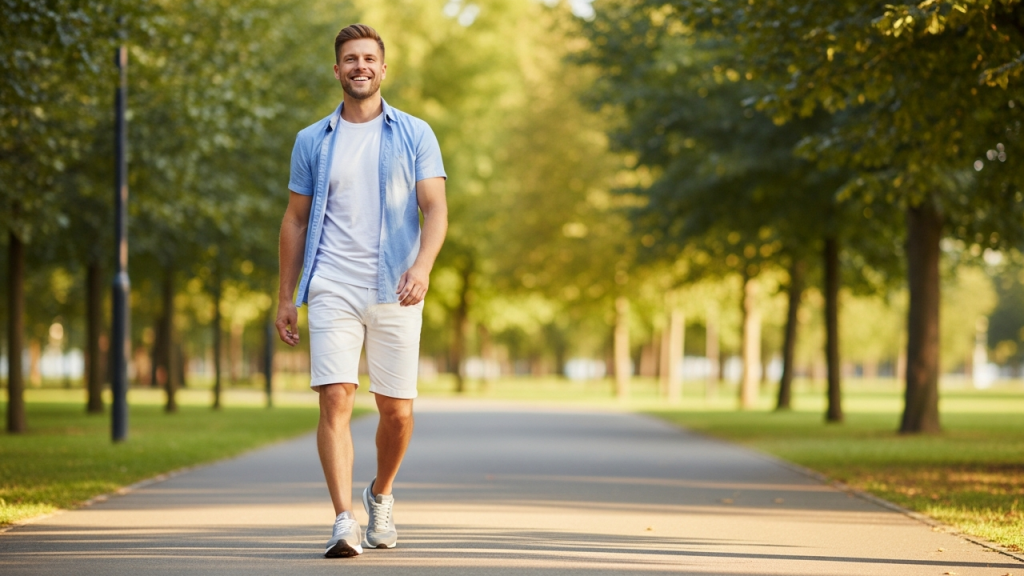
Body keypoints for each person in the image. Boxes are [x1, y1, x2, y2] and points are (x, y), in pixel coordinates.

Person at [275, 23, 448, 558]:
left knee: (396, 412)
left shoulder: (415, 133)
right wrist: (286, 295)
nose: (360, 67)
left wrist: (422, 266)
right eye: (350, 59)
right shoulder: (312, 140)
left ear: (382, 68)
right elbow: (295, 221)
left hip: (397, 286)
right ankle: (343, 520)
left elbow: (436, 208)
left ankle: (381, 494)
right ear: (337, 70)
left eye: (369, 58)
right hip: (332, 285)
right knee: (335, 397)